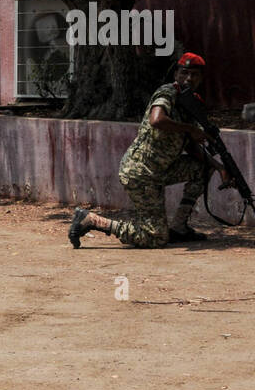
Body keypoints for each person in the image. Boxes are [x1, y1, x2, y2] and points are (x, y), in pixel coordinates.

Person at [69, 52, 230, 248]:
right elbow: (157, 120)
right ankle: (92, 220)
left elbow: (190, 145)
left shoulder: (189, 102)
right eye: (185, 73)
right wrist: (191, 129)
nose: (189, 78)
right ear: (176, 74)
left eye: (195, 74)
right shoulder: (168, 93)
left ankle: (179, 228)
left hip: (161, 170)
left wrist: (219, 167)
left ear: (201, 78)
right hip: (141, 173)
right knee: (156, 237)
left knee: (203, 168)